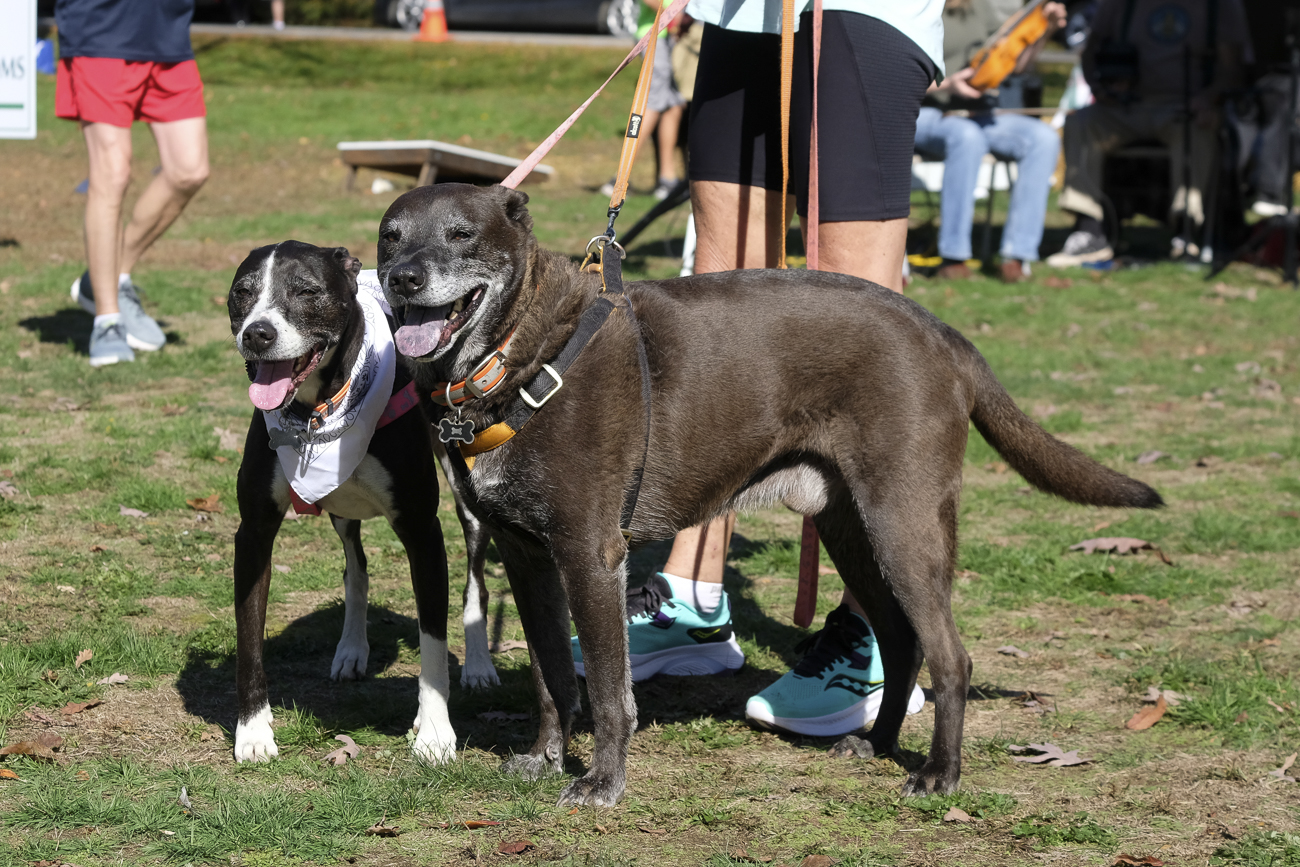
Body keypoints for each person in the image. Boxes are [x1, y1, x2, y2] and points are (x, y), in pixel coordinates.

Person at [574, 0, 944, 739]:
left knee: (848, 311)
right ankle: (693, 597)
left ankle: (876, 630)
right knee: (716, 301)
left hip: (861, 11)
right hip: (740, 14)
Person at [55, 0, 211, 367]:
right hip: (100, 29)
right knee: (112, 171)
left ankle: (108, 275)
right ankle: (107, 320)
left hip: (166, 30)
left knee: (189, 169)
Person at [1045, 0, 1252, 267]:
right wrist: (1100, 88)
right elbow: (1091, 48)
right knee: (1081, 123)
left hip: (1185, 108)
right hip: (1128, 106)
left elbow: (1232, 67)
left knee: (1196, 133)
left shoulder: (1220, 6)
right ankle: (1089, 229)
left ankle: (1186, 231)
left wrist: (1210, 99)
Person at [914, 0, 1066, 283]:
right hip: (921, 111)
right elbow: (893, 74)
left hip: (974, 112)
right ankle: (953, 255)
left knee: (1042, 138)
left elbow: (1014, 64)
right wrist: (948, 84)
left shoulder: (979, 6)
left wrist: (1046, 29)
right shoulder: (916, 8)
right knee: (965, 136)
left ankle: (1017, 256)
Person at [600, 0, 688, 201]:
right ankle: (618, 180)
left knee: (674, 105)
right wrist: (676, 15)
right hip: (655, 34)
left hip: (668, 37)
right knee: (652, 106)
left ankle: (667, 180)